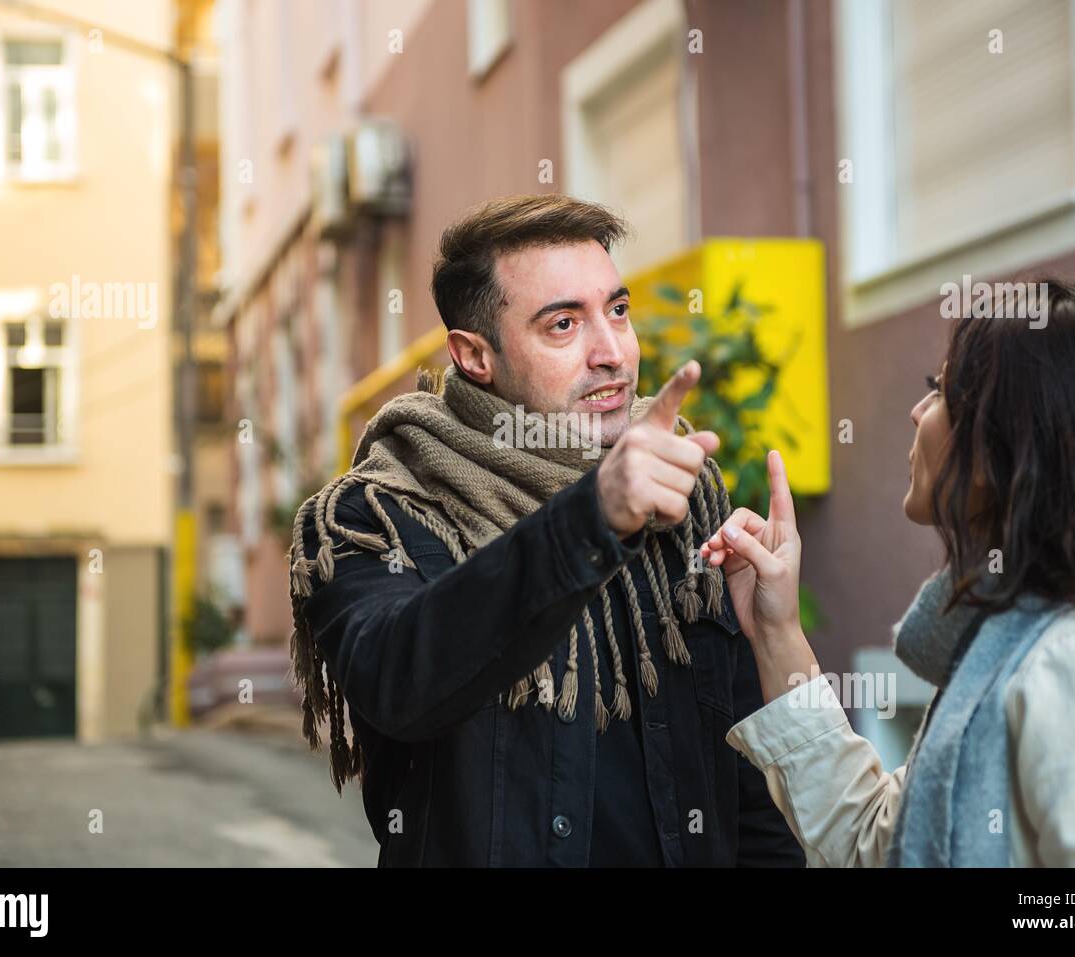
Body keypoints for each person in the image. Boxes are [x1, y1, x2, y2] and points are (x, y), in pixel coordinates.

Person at [287, 194, 802, 866]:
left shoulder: (679, 492)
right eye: (563, 324)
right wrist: (592, 519)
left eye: (618, 310)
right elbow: (399, 683)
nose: (611, 352)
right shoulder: (372, 514)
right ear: (475, 355)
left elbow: (747, 793)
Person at [701, 273, 1075, 866]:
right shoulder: (1015, 650)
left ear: (1009, 444)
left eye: (939, 390)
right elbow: (872, 843)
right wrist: (776, 628)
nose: (917, 413)